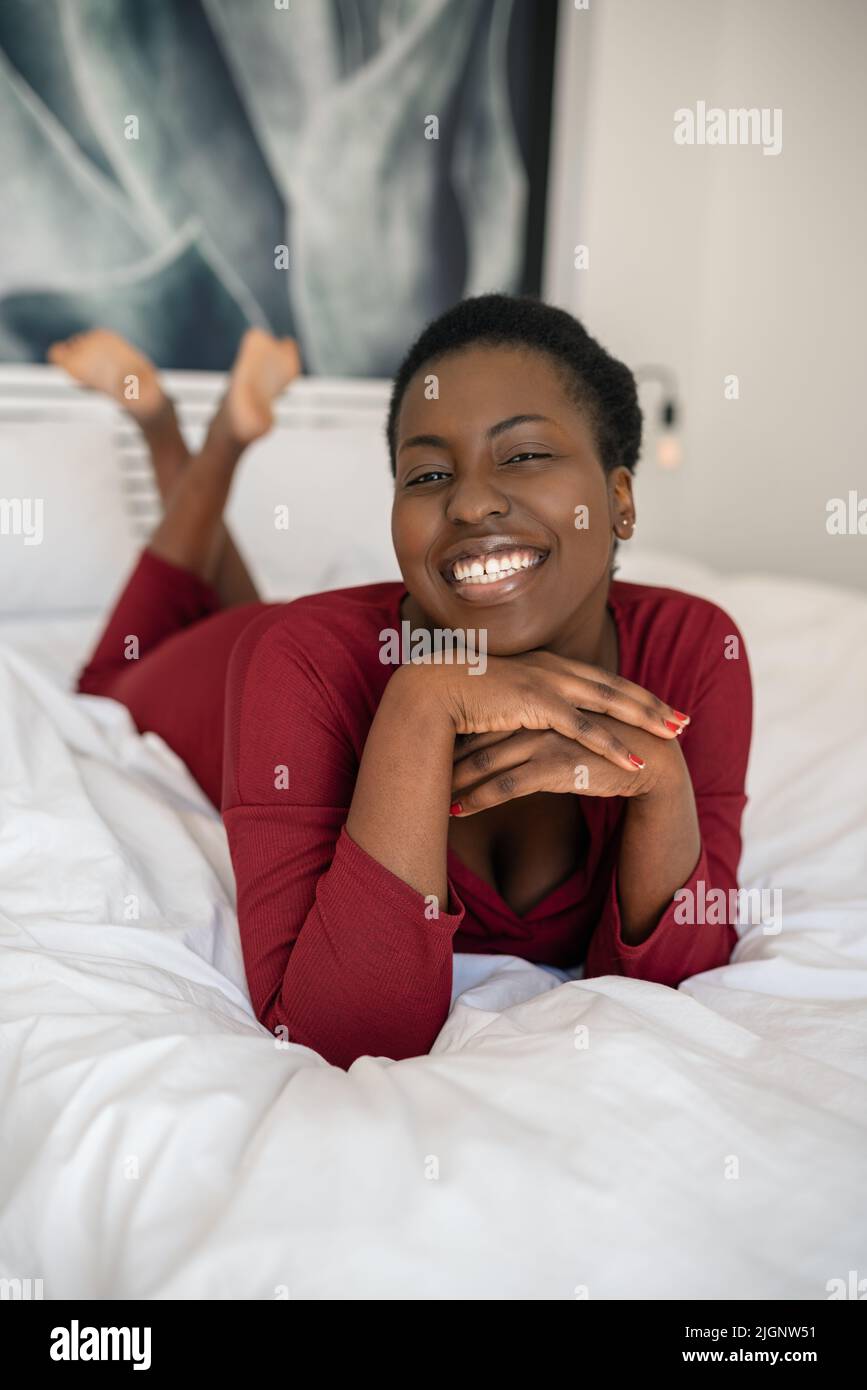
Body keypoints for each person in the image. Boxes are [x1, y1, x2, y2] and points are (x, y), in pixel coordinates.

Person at [52, 294, 753, 1070]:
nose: (471, 500)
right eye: (427, 473)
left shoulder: (696, 649)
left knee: (248, 609)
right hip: (212, 669)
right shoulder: (299, 659)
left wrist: (660, 786)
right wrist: (423, 701)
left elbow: (676, 985)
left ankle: (195, 426)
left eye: (522, 455)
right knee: (108, 675)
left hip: (290, 645)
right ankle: (182, 428)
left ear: (618, 500)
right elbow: (340, 1033)